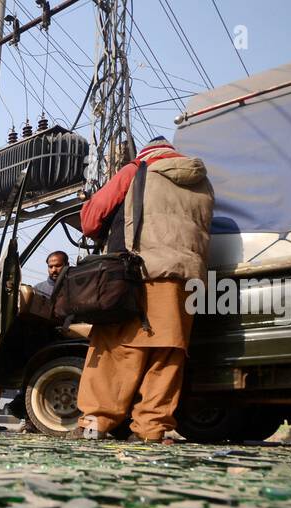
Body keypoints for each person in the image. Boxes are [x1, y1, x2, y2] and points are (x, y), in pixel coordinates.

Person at [75, 136, 214, 444]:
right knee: (166, 355)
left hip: (138, 275)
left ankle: (94, 425)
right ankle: (151, 430)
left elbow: (90, 221)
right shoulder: (203, 183)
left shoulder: (136, 169)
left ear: (146, 151)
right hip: (186, 280)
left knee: (115, 351)